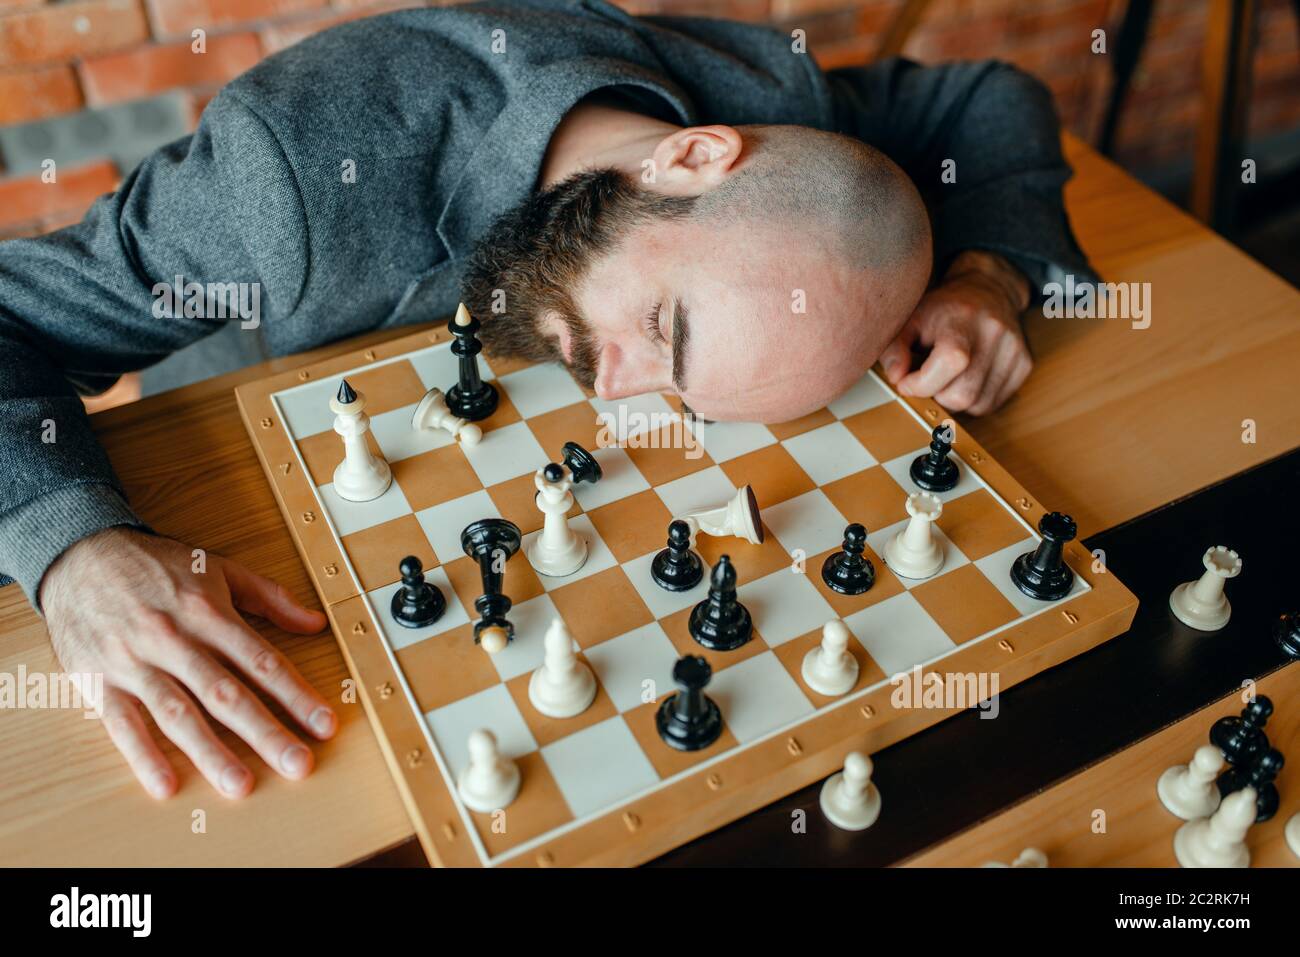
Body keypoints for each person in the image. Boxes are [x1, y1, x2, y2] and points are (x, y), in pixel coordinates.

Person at [0, 0, 1097, 800]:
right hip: (254, 504)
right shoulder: (291, 175)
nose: (620, 401)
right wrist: (71, 551)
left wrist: (989, 275)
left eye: (684, 396)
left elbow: (988, 98)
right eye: (663, 332)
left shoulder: (789, 123)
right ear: (692, 155)